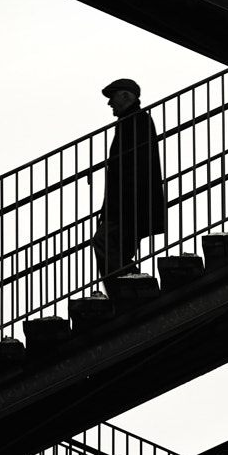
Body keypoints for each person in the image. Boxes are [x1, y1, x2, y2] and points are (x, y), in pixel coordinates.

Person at [92, 78, 166, 294]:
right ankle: (132, 287)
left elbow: (133, 168)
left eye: (112, 97)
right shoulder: (134, 121)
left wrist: (117, 206)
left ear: (126, 96)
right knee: (118, 250)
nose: (109, 103)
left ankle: (125, 290)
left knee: (104, 242)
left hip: (128, 205)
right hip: (130, 204)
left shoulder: (136, 121)